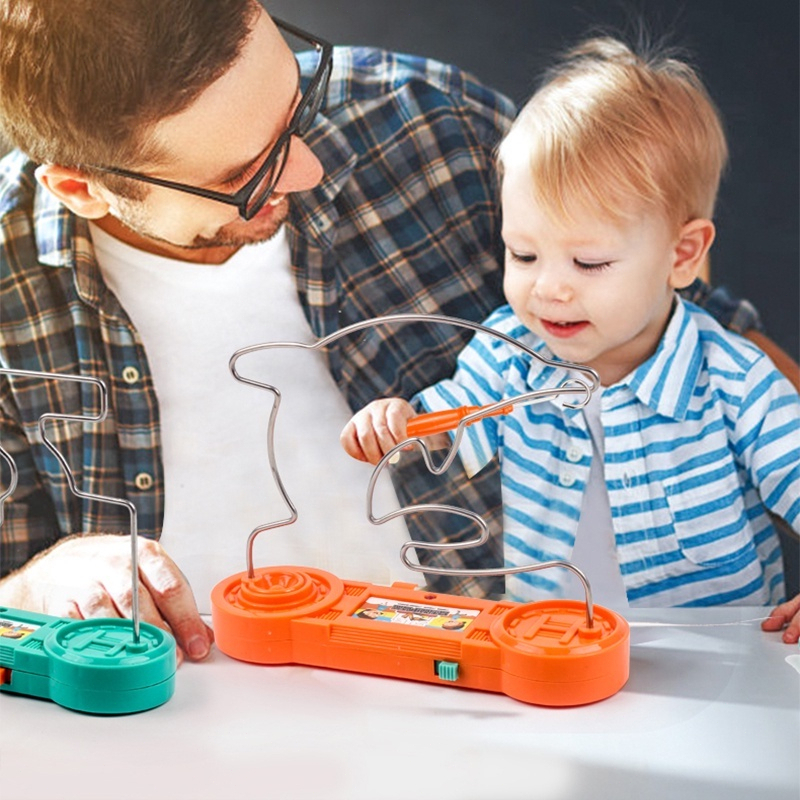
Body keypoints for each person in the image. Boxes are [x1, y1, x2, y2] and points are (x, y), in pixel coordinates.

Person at [0, 1, 794, 663]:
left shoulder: (428, 125)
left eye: (296, 102)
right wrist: (28, 590)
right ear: (84, 188)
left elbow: (705, 334)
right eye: (245, 175)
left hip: (499, 697)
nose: (309, 169)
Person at [341, 37, 800, 639]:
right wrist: (398, 425)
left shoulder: (734, 381)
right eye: (523, 254)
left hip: (720, 662)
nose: (548, 290)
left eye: (588, 262)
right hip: (556, 645)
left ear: (682, 255)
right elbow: (450, 430)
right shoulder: (510, 352)